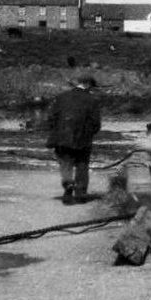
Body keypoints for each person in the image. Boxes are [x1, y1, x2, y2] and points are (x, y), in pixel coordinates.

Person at [46, 74, 102, 204]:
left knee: (66, 163)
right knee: (82, 164)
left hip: (62, 137)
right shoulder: (92, 100)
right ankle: (81, 192)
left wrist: (56, 132)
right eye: (91, 87)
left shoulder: (61, 97)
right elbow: (95, 123)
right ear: (88, 84)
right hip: (82, 138)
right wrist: (89, 134)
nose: (91, 90)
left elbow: (51, 118)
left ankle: (68, 184)